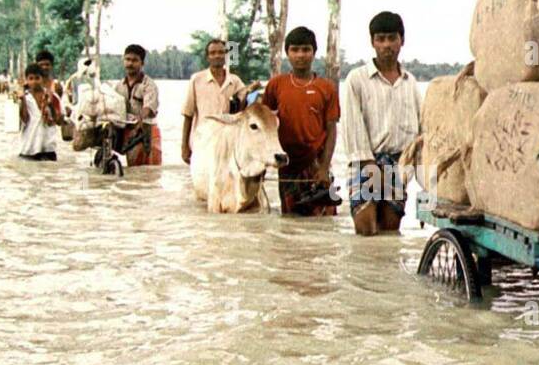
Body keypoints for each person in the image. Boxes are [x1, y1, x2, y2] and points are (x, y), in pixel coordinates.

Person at [339, 12, 423, 236]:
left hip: (398, 164)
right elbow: (352, 127)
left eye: (392, 38)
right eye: (381, 39)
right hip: (365, 162)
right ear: (372, 42)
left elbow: (420, 131)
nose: (387, 45)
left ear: (401, 40)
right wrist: (371, 167)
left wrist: (414, 172)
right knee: (366, 232)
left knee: (390, 234)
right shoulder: (356, 79)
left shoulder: (411, 83)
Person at [263, 27, 341, 217]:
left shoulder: (326, 88)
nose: (300, 55)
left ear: (314, 52)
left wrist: (324, 168)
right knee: (290, 223)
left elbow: (331, 130)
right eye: (295, 50)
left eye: (306, 50)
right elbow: (265, 123)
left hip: (316, 164)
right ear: (287, 52)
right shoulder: (276, 85)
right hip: (287, 165)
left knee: (324, 220)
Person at [181, 39, 252, 165]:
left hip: (228, 142)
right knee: (202, 182)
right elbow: (188, 114)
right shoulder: (197, 80)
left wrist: (250, 91)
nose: (217, 56)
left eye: (221, 52)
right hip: (203, 141)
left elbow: (245, 106)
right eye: (213, 53)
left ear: (226, 55)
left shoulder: (234, 81)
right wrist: (184, 146)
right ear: (207, 57)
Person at [115, 44, 163, 167]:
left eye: (135, 60)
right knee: (131, 171)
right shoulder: (119, 86)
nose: (130, 63)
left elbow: (149, 108)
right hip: (128, 131)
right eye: (127, 59)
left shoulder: (149, 85)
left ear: (142, 63)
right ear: (123, 60)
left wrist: (139, 120)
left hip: (147, 131)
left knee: (147, 172)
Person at [18, 62, 63, 162]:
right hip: (29, 148)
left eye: (37, 78)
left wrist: (50, 105)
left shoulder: (53, 97)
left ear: (42, 79)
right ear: (26, 80)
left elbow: (59, 121)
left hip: (48, 148)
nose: (34, 82)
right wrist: (23, 101)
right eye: (31, 78)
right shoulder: (24, 98)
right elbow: (24, 119)